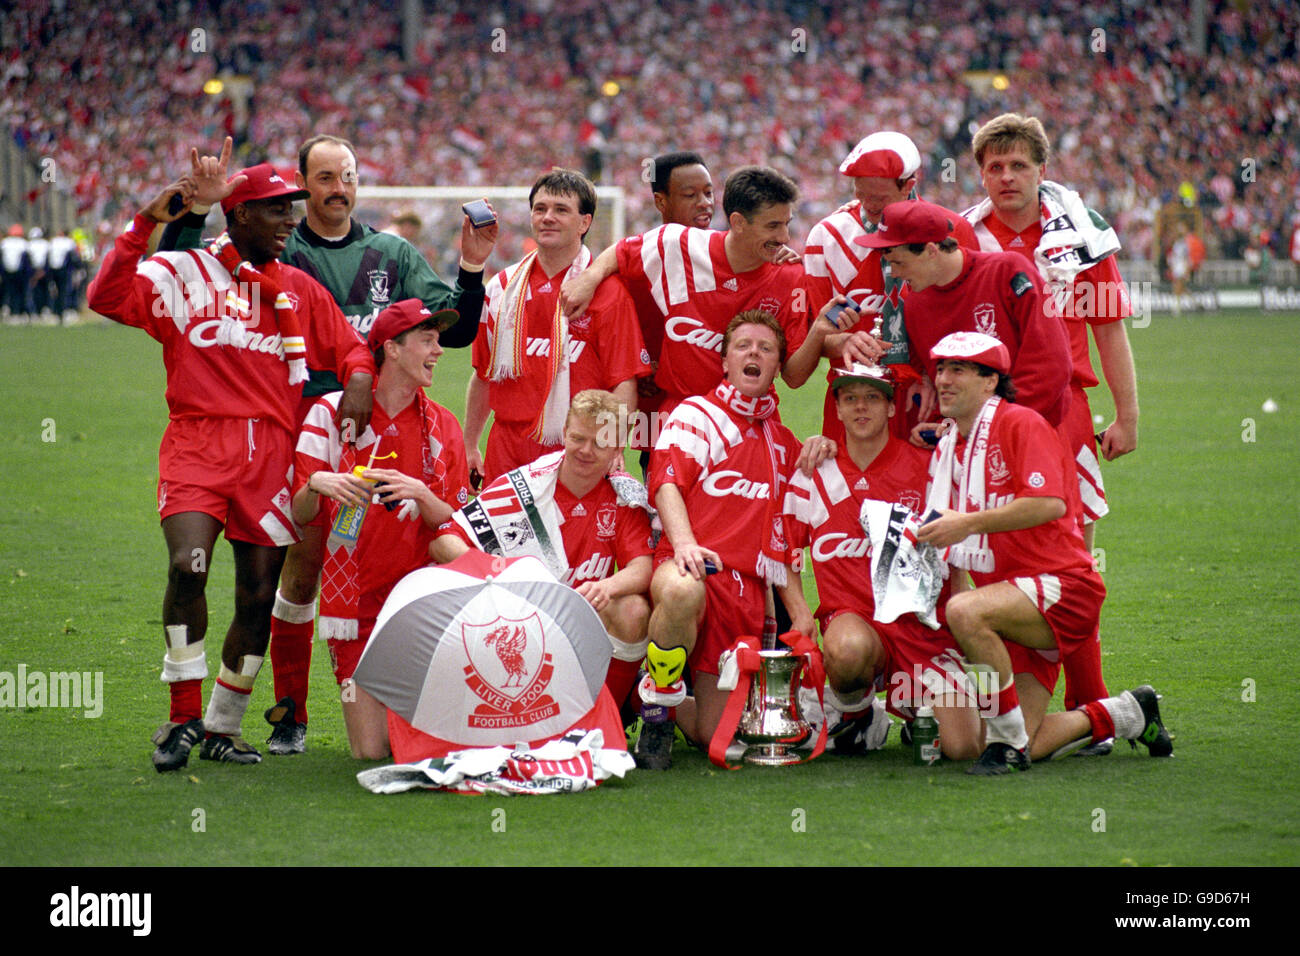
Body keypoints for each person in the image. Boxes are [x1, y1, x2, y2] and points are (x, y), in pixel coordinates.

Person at [169, 135, 498, 754]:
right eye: (324, 177)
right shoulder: (274, 243)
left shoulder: (390, 252)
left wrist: (473, 268)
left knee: (385, 548)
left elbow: (454, 331)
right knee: (297, 566)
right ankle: (288, 711)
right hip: (289, 427)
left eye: (346, 175)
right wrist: (194, 211)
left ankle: (400, 682)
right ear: (302, 185)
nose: (337, 187)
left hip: (380, 423)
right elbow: (190, 271)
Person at [86, 163, 375, 771]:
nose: (290, 221)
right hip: (198, 444)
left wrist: (356, 378)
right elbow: (106, 296)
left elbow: (350, 346)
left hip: (271, 455)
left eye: (292, 210)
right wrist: (146, 222)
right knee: (186, 568)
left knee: (256, 595)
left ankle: (222, 726)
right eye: (277, 210)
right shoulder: (183, 271)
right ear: (240, 214)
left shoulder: (297, 286)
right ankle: (181, 715)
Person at [914, 332, 1172, 774]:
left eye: (957, 369)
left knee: (967, 617)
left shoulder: (1021, 423)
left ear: (990, 381)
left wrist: (968, 524)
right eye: (939, 369)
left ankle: (1008, 742)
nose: (943, 379)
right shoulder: (950, 446)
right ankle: (1129, 712)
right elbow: (954, 553)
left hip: (1064, 589)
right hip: (1011, 604)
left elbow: (1049, 504)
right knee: (990, 744)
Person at [964, 112, 1139, 717]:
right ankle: (1006, 702)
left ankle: (1090, 698)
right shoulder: (965, 238)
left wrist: (1128, 415)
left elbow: (1110, 326)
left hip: (1064, 413)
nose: (1006, 176)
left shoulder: (1081, 234)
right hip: (985, 418)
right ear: (980, 175)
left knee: (1072, 563)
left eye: (1018, 165)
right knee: (994, 557)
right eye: (994, 167)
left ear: (1042, 170)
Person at [290, 298, 470, 759]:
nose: (439, 351)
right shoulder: (329, 413)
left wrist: (423, 495)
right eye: (427, 341)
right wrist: (317, 482)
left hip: (420, 606)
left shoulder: (443, 425)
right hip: (353, 609)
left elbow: (456, 525)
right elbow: (300, 512)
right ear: (391, 348)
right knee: (371, 752)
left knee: (416, 746)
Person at [637, 311, 814, 769]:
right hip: (689, 568)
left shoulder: (784, 444)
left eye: (766, 348)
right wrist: (684, 544)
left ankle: (649, 697)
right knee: (680, 590)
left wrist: (823, 449)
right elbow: (667, 483)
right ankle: (656, 710)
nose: (753, 353)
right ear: (724, 362)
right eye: (742, 346)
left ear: (778, 367)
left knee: (713, 736)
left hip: (745, 597)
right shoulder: (697, 414)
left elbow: (788, 538)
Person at [786, 362, 981, 759]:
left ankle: (921, 712)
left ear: (892, 409)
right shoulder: (812, 473)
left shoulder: (928, 468)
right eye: (850, 399)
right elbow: (783, 552)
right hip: (855, 622)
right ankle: (858, 714)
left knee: (961, 748)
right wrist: (801, 614)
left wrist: (960, 605)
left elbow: (955, 546)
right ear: (836, 409)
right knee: (846, 650)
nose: (861, 408)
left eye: (873, 398)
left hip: (920, 630)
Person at [434, 389, 654, 709]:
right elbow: (443, 541)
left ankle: (608, 714)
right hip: (519, 620)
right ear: (564, 433)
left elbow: (643, 566)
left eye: (600, 443)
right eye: (578, 438)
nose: (586, 450)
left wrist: (608, 586)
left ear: (618, 449)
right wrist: (500, 571)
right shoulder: (526, 487)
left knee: (633, 609)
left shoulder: (623, 496)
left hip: (582, 622)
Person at [559, 165, 817, 422]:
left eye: (786, 224)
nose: (784, 236)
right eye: (773, 226)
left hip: (751, 423)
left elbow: (794, 377)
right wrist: (589, 278)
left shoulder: (790, 276)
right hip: (680, 420)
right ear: (738, 222)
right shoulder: (677, 245)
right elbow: (622, 253)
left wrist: (822, 331)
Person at [465, 168, 650, 485]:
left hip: (578, 450)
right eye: (540, 209)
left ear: (585, 222)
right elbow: (484, 374)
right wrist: (470, 444)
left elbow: (624, 383)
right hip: (507, 451)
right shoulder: (502, 288)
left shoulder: (608, 293)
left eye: (561, 210)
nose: (547, 217)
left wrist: (613, 442)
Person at [799, 131, 978, 442]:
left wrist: (943, 376)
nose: (867, 204)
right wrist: (843, 342)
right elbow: (814, 336)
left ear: (909, 185)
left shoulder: (952, 230)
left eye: (879, 197)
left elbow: (971, 323)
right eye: (860, 193)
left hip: (930, 399)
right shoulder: (825, 237)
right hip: (855, 397)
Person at [859, 200, 1072, 433]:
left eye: (899, 263)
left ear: (931, 250)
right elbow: (950, 392)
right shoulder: (915, 306)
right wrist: (947, 429)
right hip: (970, 444)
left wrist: (993, 425)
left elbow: (1051, 365)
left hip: (1030, 433)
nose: (896, 274)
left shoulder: (1008, 271)